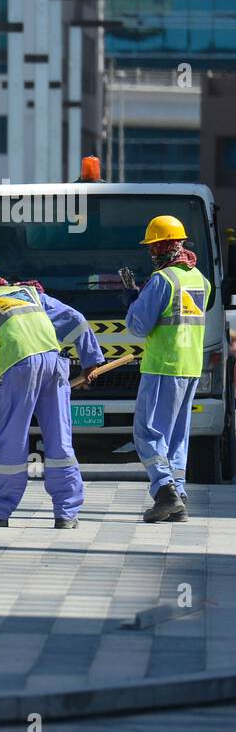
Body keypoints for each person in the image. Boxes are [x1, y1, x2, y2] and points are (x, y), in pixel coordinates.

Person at [0, 266, 103, 529]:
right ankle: (67, 513)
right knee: (60, 439)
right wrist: (91, 359)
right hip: (54, 362)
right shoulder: (29, 292)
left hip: (19, 368)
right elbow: (76, 318)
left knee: (11, 441)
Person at [125, 215, 212, 522]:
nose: (152, 253)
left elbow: (138, 325)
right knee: (176, 435)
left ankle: (164, 490)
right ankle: (178, 493)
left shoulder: (162, 280)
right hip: (190, 366)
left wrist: (134, 298)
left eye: (154, 247)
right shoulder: (200, 279)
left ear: (165, 246)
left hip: (163, 365)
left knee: (147, 432)